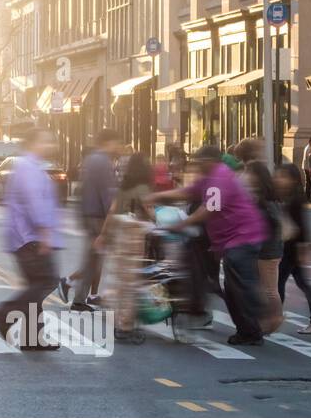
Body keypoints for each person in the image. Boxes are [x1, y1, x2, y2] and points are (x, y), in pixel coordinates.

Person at [148, 145, 268, 345]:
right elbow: (188, 192)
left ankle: (256, 322)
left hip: (243, 237)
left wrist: (181, 225)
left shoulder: (219, 177)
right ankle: (248, 330)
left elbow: (208, 210)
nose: (196, 165)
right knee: (232, 287)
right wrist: (159, 196)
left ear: (210, 162)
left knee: (239, 285)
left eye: (199, 162)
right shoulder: (209, 177)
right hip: (234, 239)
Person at [0, 127, 62, 351]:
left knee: (36, 285)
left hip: (24, 236)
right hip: (29, 237)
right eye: (45, 141)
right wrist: (44, 233)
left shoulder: (29, 166)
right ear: (33, 143)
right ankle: (5, 313)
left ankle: (33, 338)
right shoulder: (28, 168)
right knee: (46, 281)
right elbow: (34, 202)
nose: (50, 145)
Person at [93, 152, 154, 344]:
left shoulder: (123, 187)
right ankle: (125, 326)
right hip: (134, 234)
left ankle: (121, 321)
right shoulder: (143, 187)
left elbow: (111, 211)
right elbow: (150, 210)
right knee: (131, 283)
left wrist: (103, 235)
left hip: (119, 235)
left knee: (121, 281)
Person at [59, 129, 122, 311]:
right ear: (108, 142)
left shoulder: (91, 160)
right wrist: (107, 224)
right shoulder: (103, 162)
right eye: (116, 142)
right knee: (93, 260)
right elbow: (108, 196)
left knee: (94, 260)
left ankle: (77, 295)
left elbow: (83, 190)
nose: (118, 146)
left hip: (89, 215)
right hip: (98, 219)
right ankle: (71, 287)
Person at [274, 164, 311, 334]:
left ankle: (275, 316)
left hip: (292, 248)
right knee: (303, 284)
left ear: (293, 179)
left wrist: (303, 248)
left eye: (282, 176)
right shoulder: (289, 196)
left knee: (278, 282)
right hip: (291, 247)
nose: (279, 180)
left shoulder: (295, 199)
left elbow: (302, 225)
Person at [242, 160, 284, 334]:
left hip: (268, 250)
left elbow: (276, 223)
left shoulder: (265, 200)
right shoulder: (262, 196)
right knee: (263, 287)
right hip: (266, 249)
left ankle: (275, 319)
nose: (245, 176)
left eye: (248, 172)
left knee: (269, 289)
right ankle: (267, 318)